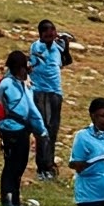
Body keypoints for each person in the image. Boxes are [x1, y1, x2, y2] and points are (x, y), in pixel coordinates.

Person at [0, 49, 43, 206]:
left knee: (19, 165)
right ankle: (8, 202)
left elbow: (32, 109)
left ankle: (15, 201)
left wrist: (40, 129)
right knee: (11, 165)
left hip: (22, 129)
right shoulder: (7, 84)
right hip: (10, 129)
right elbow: (0, 105)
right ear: (18, 68)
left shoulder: (24, 84)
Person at [27, 20, 71, 180]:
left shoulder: (57, 46)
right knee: (43, 130)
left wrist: (65, 45)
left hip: (55, 92)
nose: (50, 37)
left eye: (52, 33)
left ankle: (49, 165)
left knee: (53, 130)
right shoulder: (37, 47)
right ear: (40, 35)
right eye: (46, 35)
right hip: (40, 92)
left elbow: (66, 61)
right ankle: (42, 168)